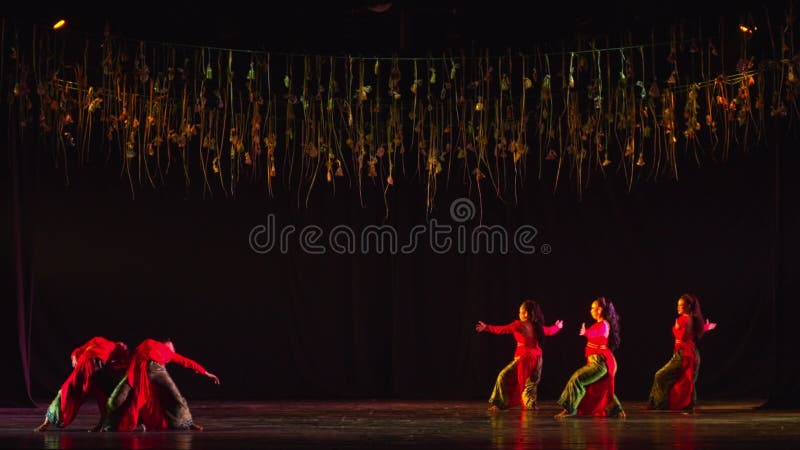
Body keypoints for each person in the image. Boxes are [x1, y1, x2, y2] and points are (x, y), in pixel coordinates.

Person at [101, 338, 220, 432]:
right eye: (171, 347)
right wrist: (115, 364)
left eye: (172, 348)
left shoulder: (166, 353)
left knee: (176, 397)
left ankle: (188, 423)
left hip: (156, 369)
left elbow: (186, 362)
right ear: (165, 344)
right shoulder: (153, 344)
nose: (173, 350)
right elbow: (130, 359)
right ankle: (111, 424)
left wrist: (205, 372)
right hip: (138, 370)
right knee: (119, 398)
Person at [476, 299, 564, 411]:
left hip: (524, 358)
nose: (519, 314)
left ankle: (500, 404)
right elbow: (550, 331)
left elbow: (502, 329)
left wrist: (487, 327)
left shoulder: (519, 325)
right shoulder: (537, 326)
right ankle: (531, 405)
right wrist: (558, 327)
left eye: (520, 312)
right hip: (537, 360)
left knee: (503, 376)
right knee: (531, 383)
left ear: (526, 313)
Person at [34, 336, 130, 432]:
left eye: (124, 346)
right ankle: (46, 423)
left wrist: (111, 363)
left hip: (94, 370)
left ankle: (103, 424)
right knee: (65, 391)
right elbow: (80, 349)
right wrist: (74, 356)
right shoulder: (99, 340)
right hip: (82, 368)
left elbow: (122, 363)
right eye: (123, 345)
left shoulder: (115, 350)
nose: (123, 344)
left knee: (102, 398)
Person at [555, 297, 625, 418]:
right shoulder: (601, 324)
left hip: (600, 363)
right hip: (601, 361)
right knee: (603, 386)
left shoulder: (603, 325)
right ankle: (617, 411)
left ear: (600, 310)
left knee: (577, 379)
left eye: (593, 308)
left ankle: (570, 409)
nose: (591, 310)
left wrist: (586, 332)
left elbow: (596, 333)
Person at [647, 293, 717, 412]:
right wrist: (706, 327)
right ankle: (688, 404)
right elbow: (693, 332)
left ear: (688, 306)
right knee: (688, 378)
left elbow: (681, 336)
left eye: (681, 305)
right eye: (678, 305)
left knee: (660, 376)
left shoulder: (683, 319)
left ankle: (659, 404)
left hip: (684, 354)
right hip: (691, 353)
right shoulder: (693, 319)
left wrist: (676, 327)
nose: (678, 307)